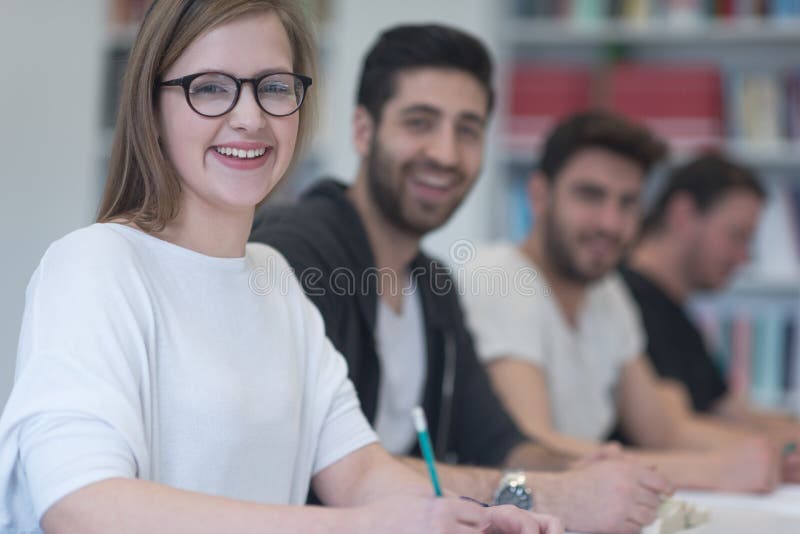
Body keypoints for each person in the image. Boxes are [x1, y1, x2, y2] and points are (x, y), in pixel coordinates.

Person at [0, 2, 562, 533]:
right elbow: (79, 507)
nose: (251, 117)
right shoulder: (95, 265)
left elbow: (362, 474)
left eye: (273, 88)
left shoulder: (276, 280)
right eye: (211, 88)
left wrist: (476, 519)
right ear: (152, 107)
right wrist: (360, 528)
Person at [251, 23, 671, 534]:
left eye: (467, 130)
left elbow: (500, 443)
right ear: (363, 130)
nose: (446, 154)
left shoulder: (434, 286)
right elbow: (317, 465)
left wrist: (584, 471)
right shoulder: (295, 254)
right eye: (420, 122)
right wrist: (548, 491)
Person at [460, 111, 782, 493]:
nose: (610, 223)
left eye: (627, 203)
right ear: (540, 195)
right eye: (590, 196)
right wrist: (709, 470)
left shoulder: (607, 293)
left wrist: (774, 452)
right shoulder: (498, 276)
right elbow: (531, 445)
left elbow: (663, 428)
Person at [623, 152, 800, 482]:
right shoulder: (630, 301)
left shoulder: (675, 314)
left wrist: (788, 434)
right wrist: (779, 448)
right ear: (683, 214)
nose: (743, 257)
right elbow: (673, 431)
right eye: (736, 236)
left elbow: (729, 412)